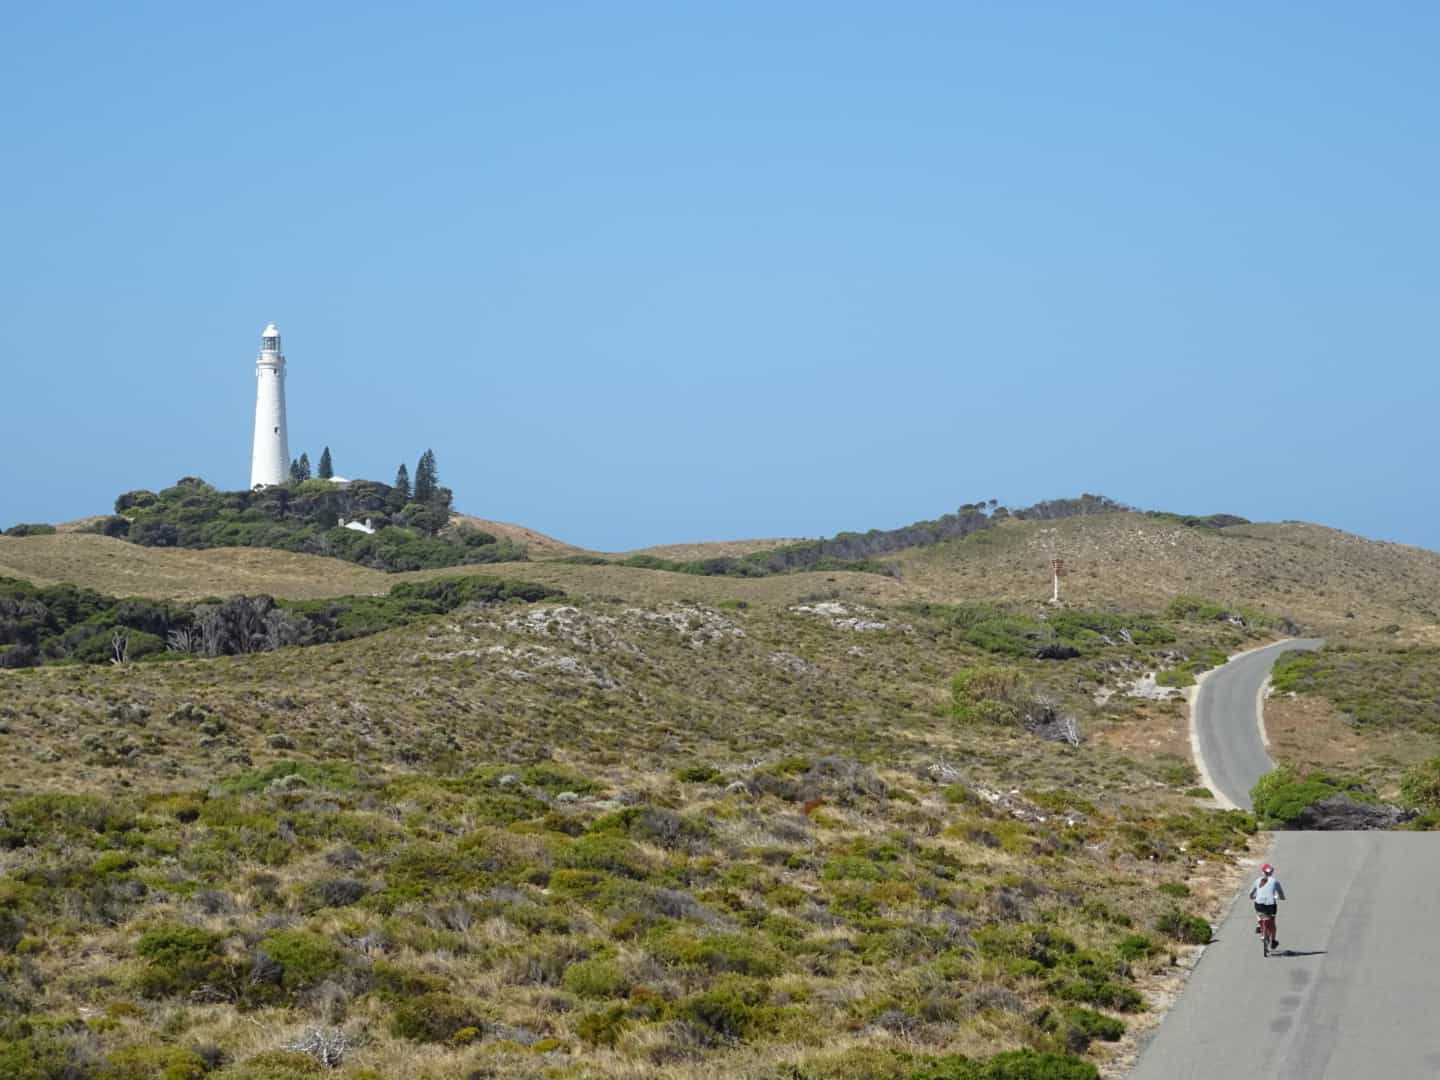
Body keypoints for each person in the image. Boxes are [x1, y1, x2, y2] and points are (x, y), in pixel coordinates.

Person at [1249, 862, 1285, 948]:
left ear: (1262, 872)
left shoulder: (1257, 881)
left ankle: (1260, 924)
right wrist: (1281, 898)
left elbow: (1251, 893)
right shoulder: (1275, 881)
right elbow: (1281, 894)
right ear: (1271, 872)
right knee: (1272, 922)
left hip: (1259, 904)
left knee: (1259, 913)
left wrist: (1252, 897)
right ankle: (1273, 940)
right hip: (1271, 905)